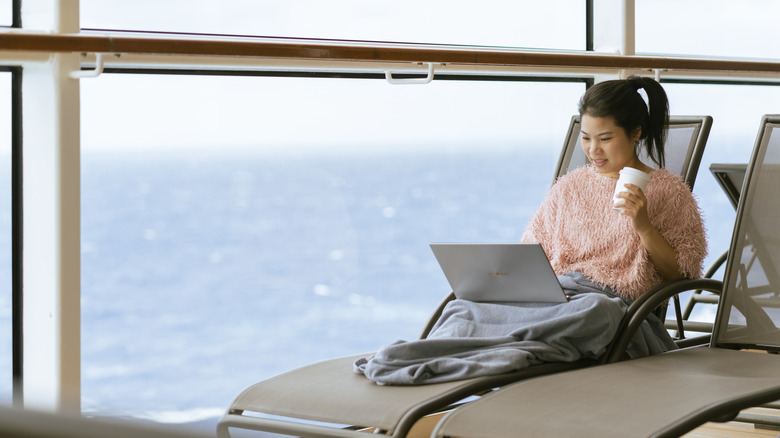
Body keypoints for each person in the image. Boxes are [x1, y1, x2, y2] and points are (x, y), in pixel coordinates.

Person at [354, 76, 707, 385]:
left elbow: (683, 274)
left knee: (597, 312)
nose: (593, 150)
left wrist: (642, 224)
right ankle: (452, 353)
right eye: (585, 138)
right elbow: (530, 254)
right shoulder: (569, 187)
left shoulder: (668, 192)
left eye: (605, 138)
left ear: (636, 133)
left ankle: (493, 352)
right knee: (464, 307)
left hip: (619, 310)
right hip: (555, 298)